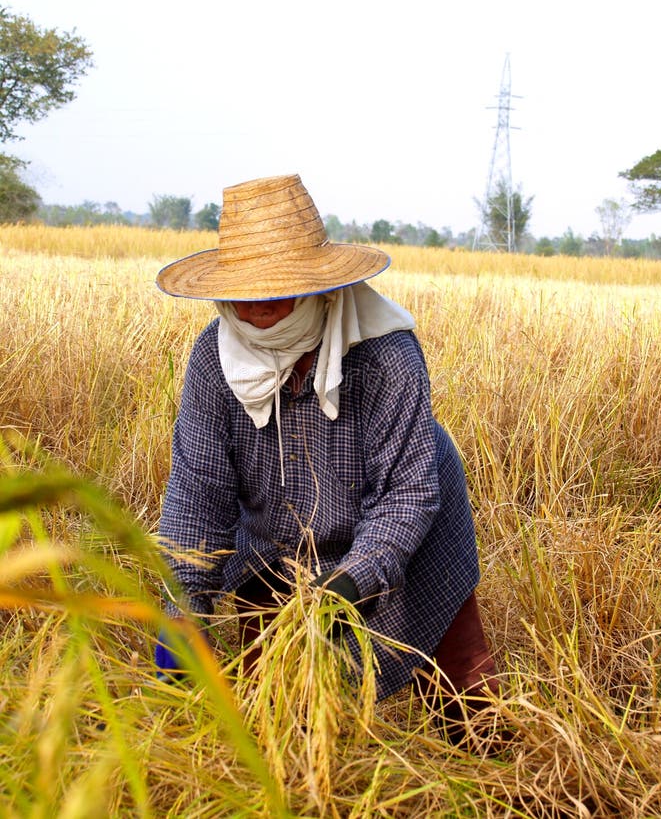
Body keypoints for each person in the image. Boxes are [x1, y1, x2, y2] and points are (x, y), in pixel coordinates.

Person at [154, 173, 499, 741]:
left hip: (404, 532)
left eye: (276, 287)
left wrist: (351, 584)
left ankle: (489, 766)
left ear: (318, 287)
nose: (258, 305)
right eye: (245, 290)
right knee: (280, 708)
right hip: (275, 543)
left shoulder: (386, 357)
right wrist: (182, 606)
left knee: (459, 683)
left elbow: (407, 496)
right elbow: (197, 497)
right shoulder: (214, 363)